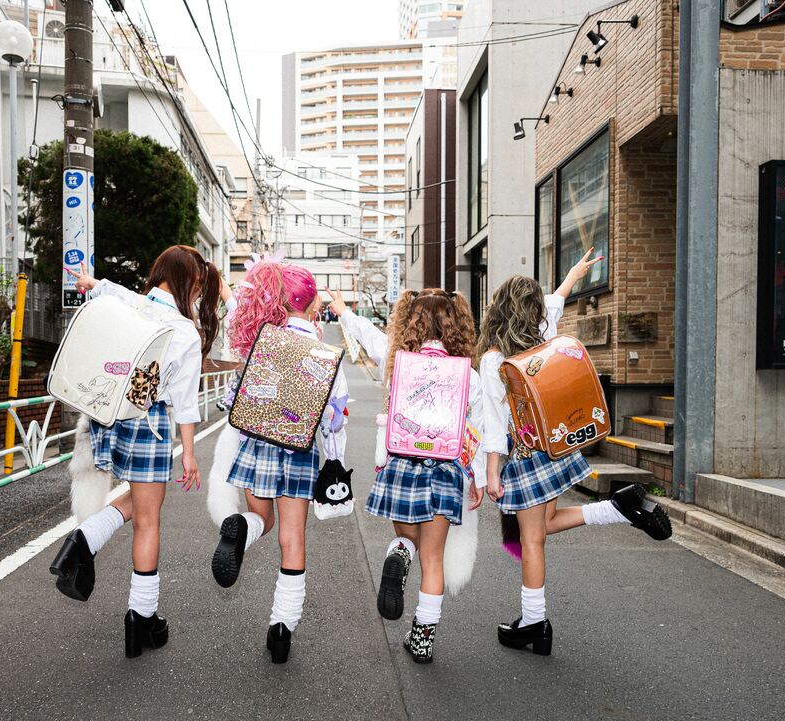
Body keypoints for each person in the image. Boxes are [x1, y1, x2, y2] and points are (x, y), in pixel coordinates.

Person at [477, 251, 671, 657]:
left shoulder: (495, 360)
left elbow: (496, 426)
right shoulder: (544, 337)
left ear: (498, 311)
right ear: (531, 313)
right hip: (557, 449)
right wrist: (573, 276)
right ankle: (618, 508)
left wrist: (491, 474)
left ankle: (534, 623)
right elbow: (553, 303)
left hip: (524, 458)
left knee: (532, 540)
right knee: (543, 525)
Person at [49, 245, 221, 659]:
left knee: (137, 503)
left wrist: (92, 283)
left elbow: (108, 294)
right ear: (189, 283)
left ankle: (85, 542)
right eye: (197, 287)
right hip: (149, 424)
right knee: (148, 520)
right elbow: (183, 400)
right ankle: (139, 617)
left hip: (105, 416)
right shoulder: (182, 330)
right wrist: (190, 453)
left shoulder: (133, 304)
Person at [333, 288, 486, 665]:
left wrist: (343, 313)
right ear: (457, 326)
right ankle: (422, 640)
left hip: (402, 464)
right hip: (447, 469)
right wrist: (477, 477)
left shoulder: (398, 360)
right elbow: (478, 430)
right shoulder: (470, 376)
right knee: (433, 558)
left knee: (409, 540)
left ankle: (399, 555)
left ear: (409, 323)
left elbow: (369, 337)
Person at [211, 256, 348, 664]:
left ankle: (241, 528)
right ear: (310, 308)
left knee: (263, 520)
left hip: (259, 447)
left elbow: (230, 400)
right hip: (300, 452)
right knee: (293, 541)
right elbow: (334, 421)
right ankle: (281, 630)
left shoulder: (262, 343)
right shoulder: (325, 354)